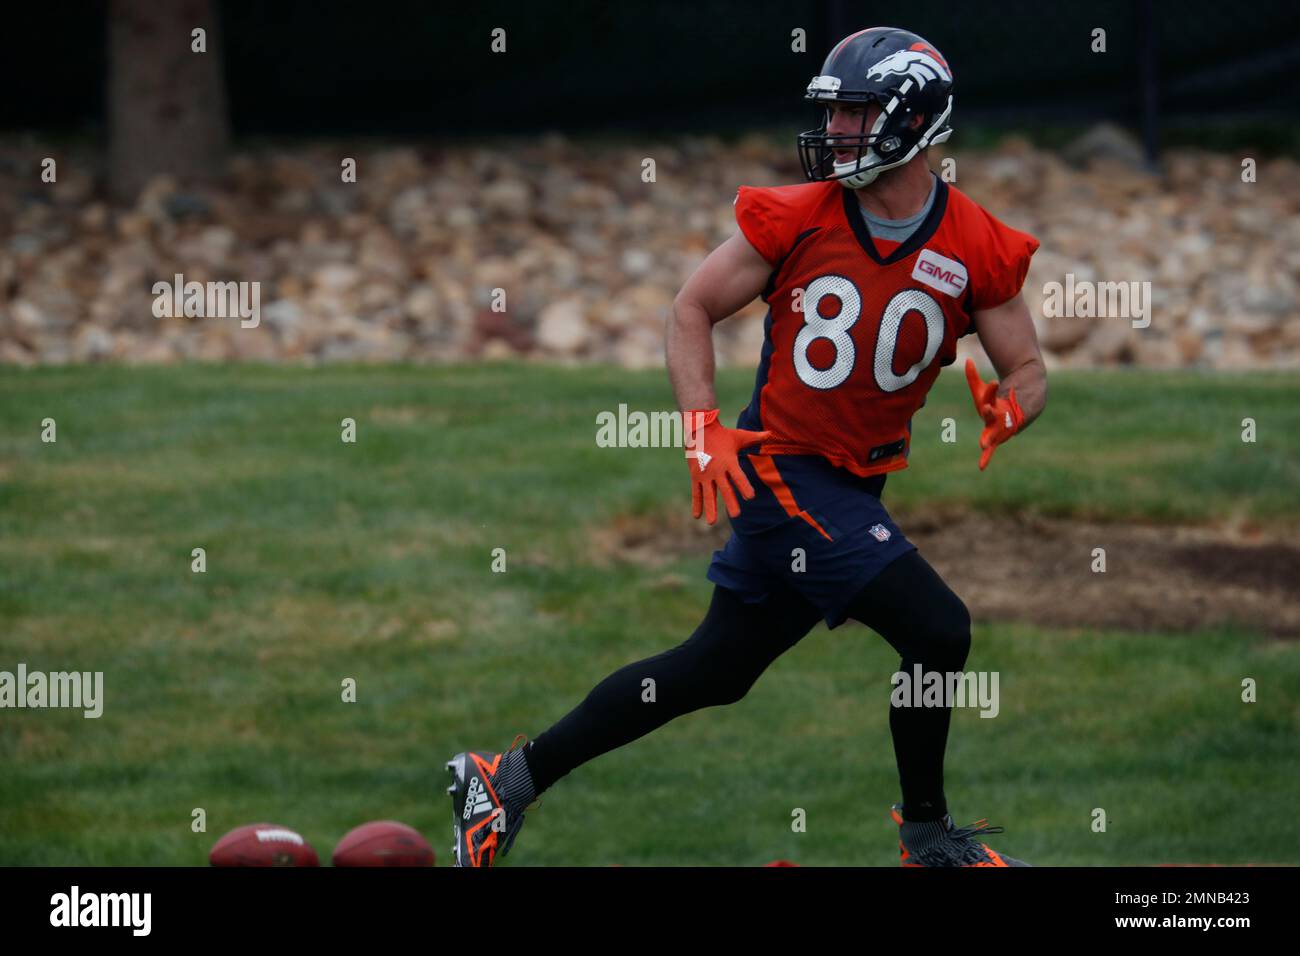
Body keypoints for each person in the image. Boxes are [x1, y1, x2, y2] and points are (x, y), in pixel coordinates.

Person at [446, 26, 1046, 868]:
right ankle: (928, 839)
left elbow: (1026, 368)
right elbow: (689, 307)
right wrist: (700, 428)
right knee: (940, 631)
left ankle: (504, 781)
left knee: (710, 671)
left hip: (853, 488)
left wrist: (1011, 407)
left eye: (856, 113)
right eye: (833, 114)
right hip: (781, 472)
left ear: (914, 120)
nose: (836, 131)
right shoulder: (797, 217)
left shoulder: (976, 242)